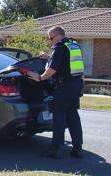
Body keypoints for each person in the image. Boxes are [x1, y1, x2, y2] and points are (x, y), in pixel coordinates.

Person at [24, 26, 84, 159]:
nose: (49, 41)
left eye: (50, 38)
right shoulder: (73, 45)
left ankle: (54, 150)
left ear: (57, 36)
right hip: (76, 85)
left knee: (59, 119)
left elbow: (52, 70)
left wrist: (39, 77)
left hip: (63, 87)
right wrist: (49, 57)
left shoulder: (59, 48)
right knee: (73, 117)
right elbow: (65, 62)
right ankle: (77, 149)